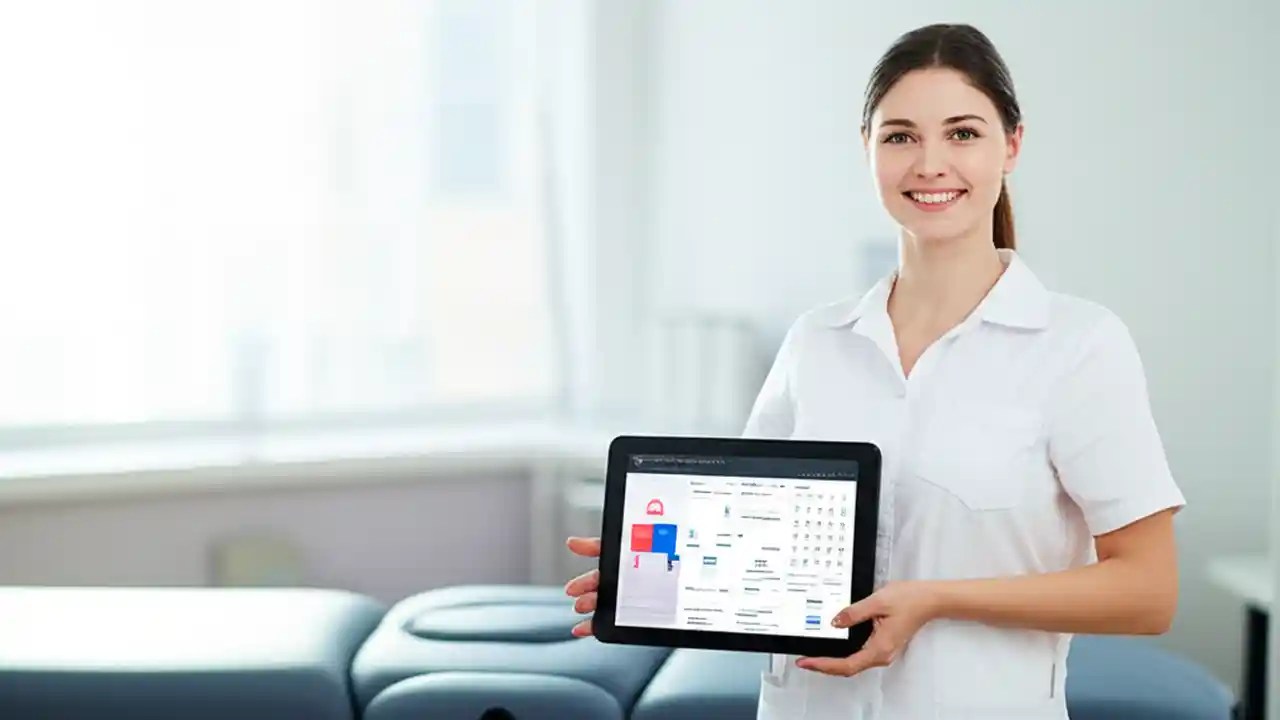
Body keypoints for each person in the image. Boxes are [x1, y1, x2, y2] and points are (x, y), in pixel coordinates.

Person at [563, 22, 1184, 720]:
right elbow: (758, 543)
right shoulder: (817, 341)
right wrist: (655, 579)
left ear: (1011, 145)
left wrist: (937, 599)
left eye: (962, 133)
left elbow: (1148, 591)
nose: (930, 163)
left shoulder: (1078, 346)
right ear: (868, 149)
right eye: (900, 136)